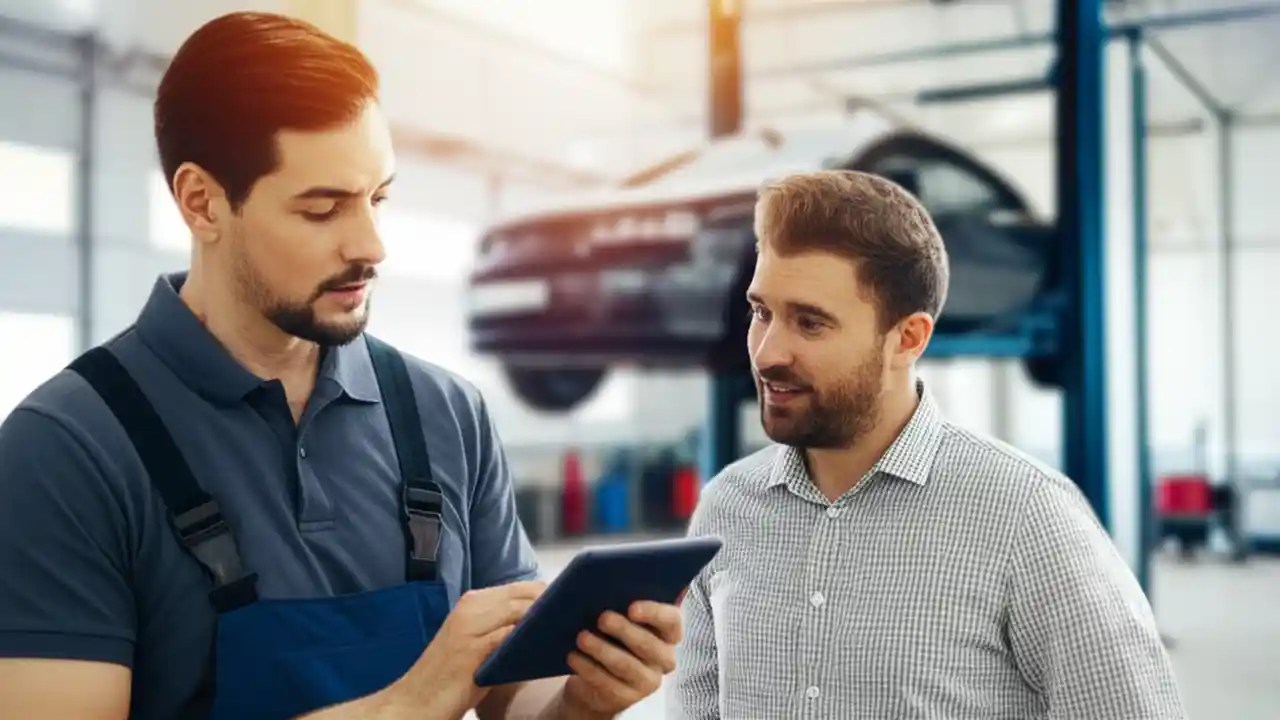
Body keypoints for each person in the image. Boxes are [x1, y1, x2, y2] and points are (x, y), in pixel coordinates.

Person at [0, 12, 681, 720]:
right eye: (323, 210)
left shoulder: (445, 413)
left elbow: (514, 696)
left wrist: (581, 695)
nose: (371, 244)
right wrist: (406, 705)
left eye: (378, 198)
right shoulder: (64, 449)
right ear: (201, 202)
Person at [669, 170, 1186, 718]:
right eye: (762, 312)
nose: (768, 352)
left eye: (811, 323)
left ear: (908, 338)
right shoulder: (727, 507)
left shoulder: (1025, 517)